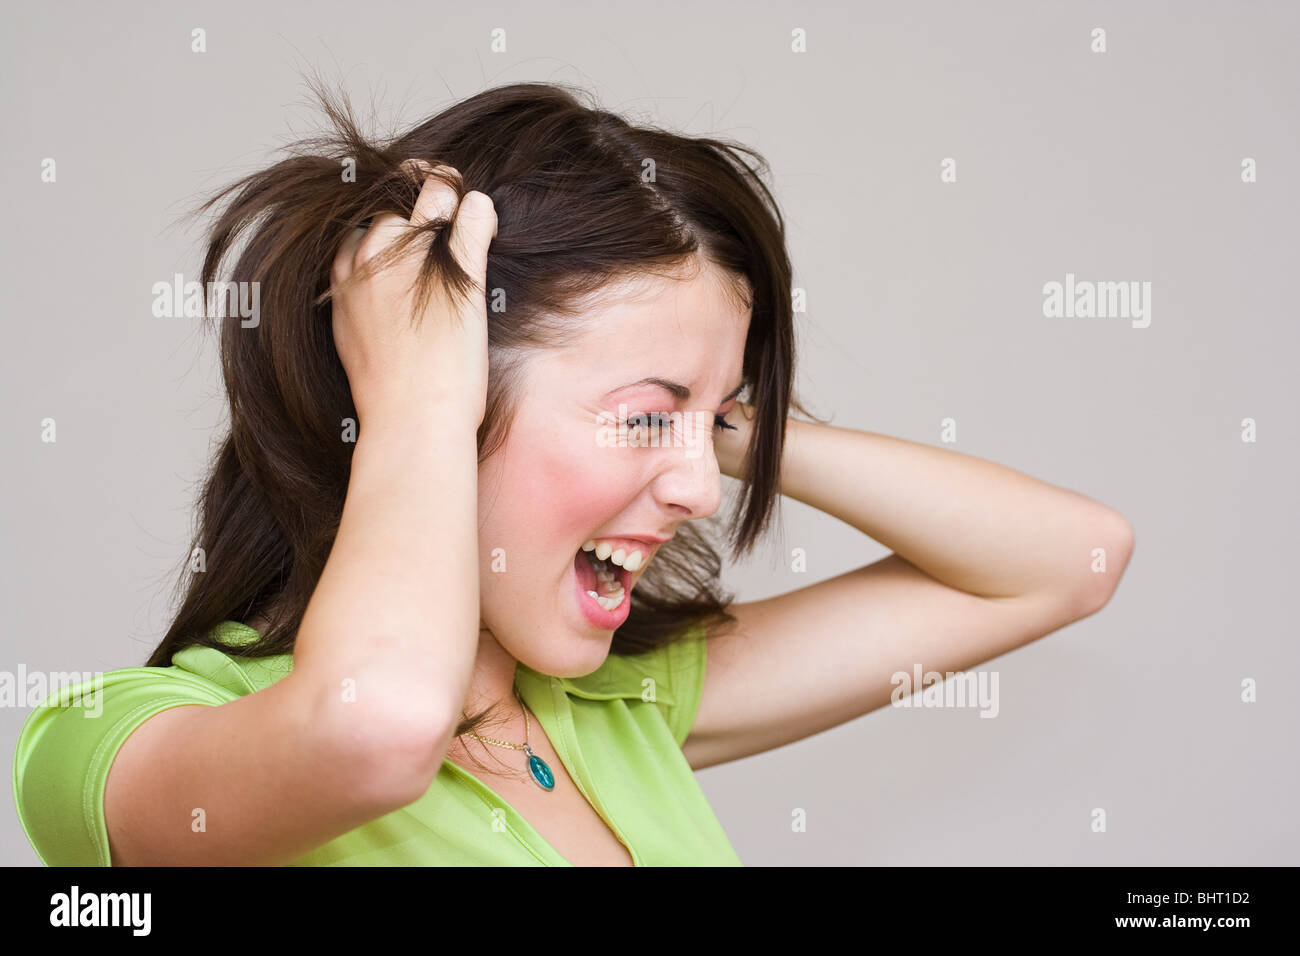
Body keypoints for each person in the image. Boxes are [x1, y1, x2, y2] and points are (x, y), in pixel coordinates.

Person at [12, 80, 1134, 867]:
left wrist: (706, 409)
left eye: (722, 421)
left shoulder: (613, 704)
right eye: (645, 419)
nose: (700, 489)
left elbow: (1069, 561)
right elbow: (374, 729)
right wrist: (409, 401)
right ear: (426, 386)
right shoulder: (112, 747)